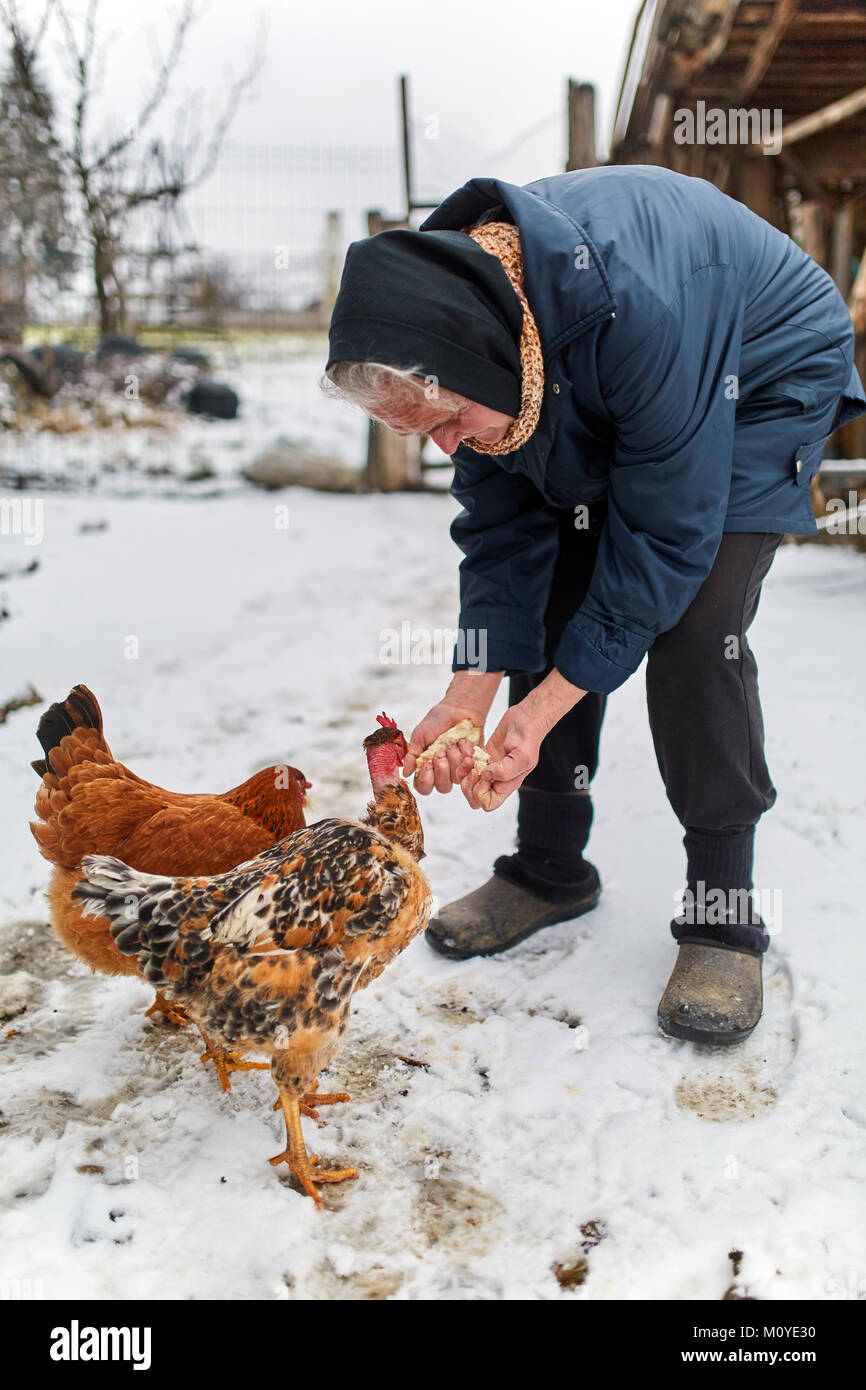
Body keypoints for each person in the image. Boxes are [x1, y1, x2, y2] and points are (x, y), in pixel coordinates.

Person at [323, 164, 866, 1045]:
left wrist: (538, 710)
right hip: (601, 376)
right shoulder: (460, 331)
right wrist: (472, 694)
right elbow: (503, 539)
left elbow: (664, 541)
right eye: (425, 435)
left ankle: (723, 915)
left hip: (758, 374)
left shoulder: (638, 307)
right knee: (555, 592)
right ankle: (549, 867)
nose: (449, 446)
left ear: (488, 360)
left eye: (450, 421)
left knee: (696, 627)